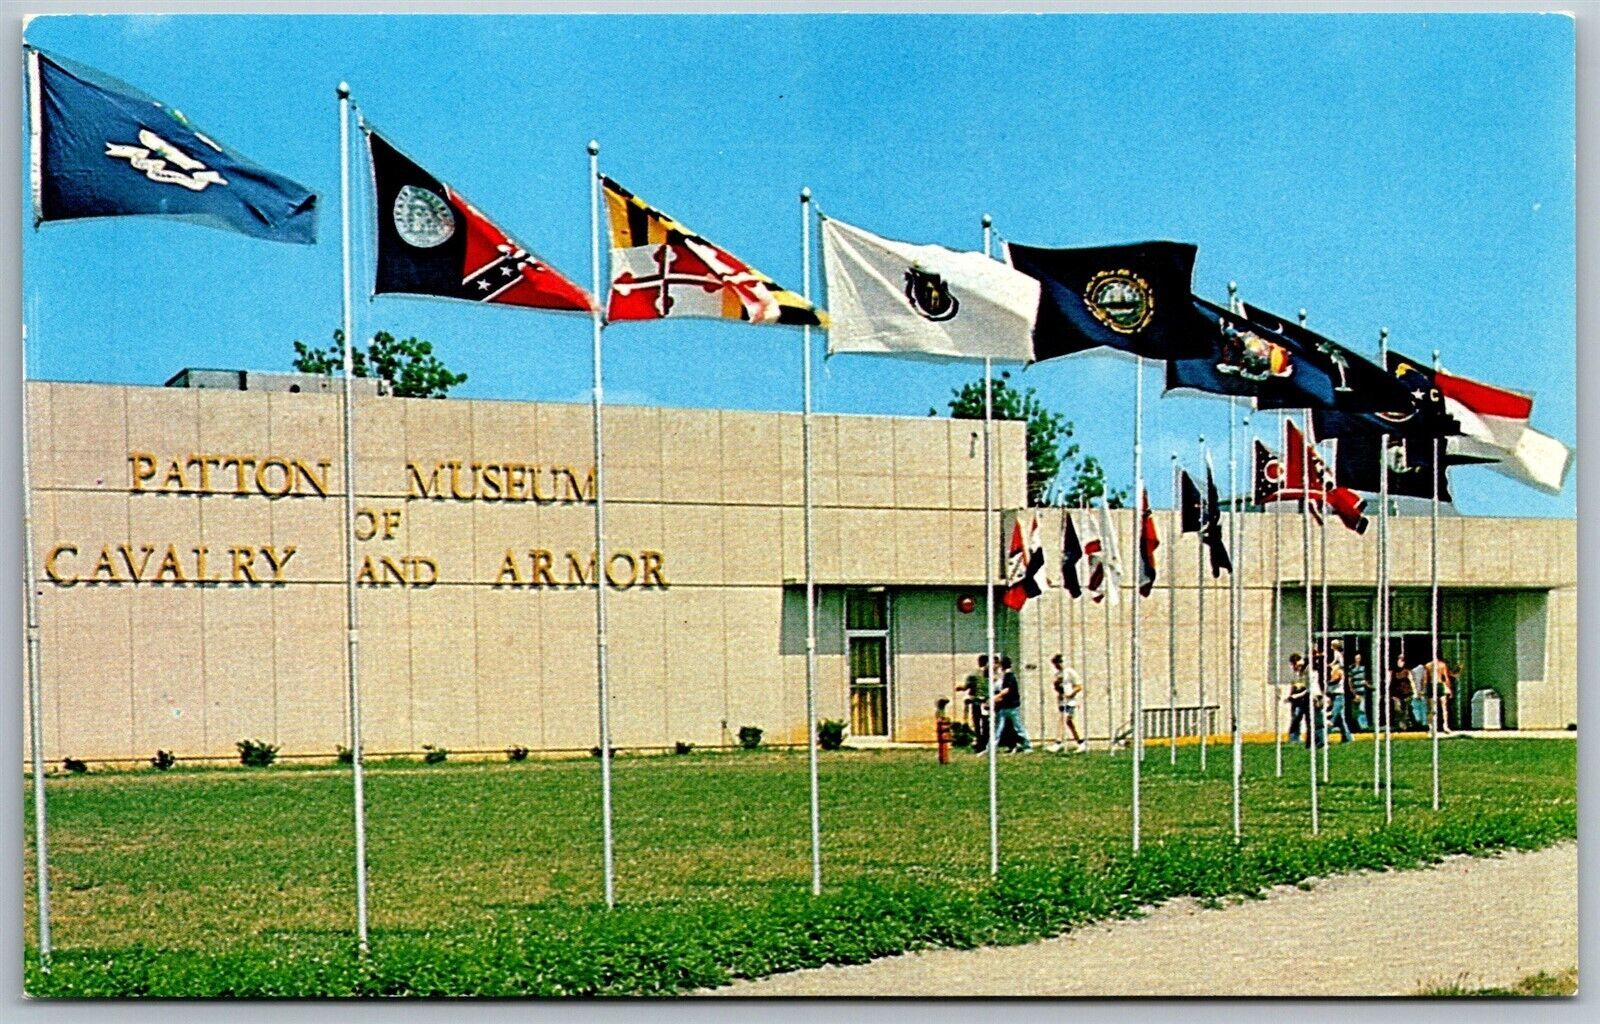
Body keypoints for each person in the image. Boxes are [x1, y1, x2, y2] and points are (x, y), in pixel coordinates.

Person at [1046, 653, 1088, 753]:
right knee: (1068, 721)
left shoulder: (1069, 672)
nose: (1056, 666)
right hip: (1062, 701)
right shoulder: (1057, 674)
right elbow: (1058, 688)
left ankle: (1059, 743)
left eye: (1058, 663)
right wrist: (1057, 688)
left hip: (1070, 702)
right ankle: (1080, 743)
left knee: (1064, 719)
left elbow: (1079, 686)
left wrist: (1071, 694)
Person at [992, 656, 1033, 753]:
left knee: (1018, 727)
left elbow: (1007, 690)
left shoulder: (1010, 676)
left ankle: (1027, 746)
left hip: (1012, 707)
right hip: (1005, 706)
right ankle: (992, 748)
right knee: (999, 728)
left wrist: (994, 698)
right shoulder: (1006, 676)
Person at [957, 655, 991, 754]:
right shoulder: (990, 675)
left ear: (979, 662)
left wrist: (960, 688)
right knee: (986, 724)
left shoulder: (973, 675)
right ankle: (985, 743)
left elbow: (966, 686)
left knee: (977, 724)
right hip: (986, 702)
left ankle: (980, 744)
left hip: (976, 702)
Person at [1423, 655, 1455, 734]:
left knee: (1436, 707)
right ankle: (1434, 727)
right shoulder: (1433, 665)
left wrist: (1424, 689)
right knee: (1436, 707)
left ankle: (1441, 726)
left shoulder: (1433, 665)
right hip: (1435, 685)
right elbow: (1446, 678)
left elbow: (1426, 679)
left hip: (1436, 685)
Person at [1326, 653, 1353, 743]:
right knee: (1341, 719)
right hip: (1333, 696)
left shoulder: (1338, 670)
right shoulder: (1332, 670)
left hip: (1338, 696)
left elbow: (1335, 679)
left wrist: (1326, 682)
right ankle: (1347, 738)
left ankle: (1323, 738)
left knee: (1332, 718)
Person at [1389, 654, 1414, 731]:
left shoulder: (1407, 671)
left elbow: (1412, 681)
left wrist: (1414, 691)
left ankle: (1405, 724)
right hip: (1396, 693)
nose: (1400, 662)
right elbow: (1390, 682)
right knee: (1398, 709)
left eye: (1402, 661)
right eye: (1399, 660)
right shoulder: (1393, 672)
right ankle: (1400, 723)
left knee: (1406, 709)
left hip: (1406, 692)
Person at [1347, 652, 1371, 731]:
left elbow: (1364, 679)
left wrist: (1368, 685)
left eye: (1359, 658)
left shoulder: (1363, 668)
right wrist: (1353, 692)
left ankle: (1363, 725)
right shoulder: (1351, 668)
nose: (1358, 660)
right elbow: (1350, 681)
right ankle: (1359, 725)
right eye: (1356, 658)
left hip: (1362, 691)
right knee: (1356, 710)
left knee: (1362, 708)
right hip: (1355, 691)